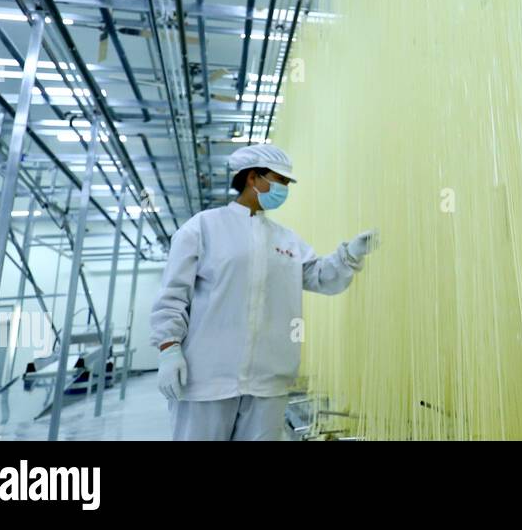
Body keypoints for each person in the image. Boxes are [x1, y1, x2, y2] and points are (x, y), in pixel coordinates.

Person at [149, 143, 377, 440]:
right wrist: (169, 350)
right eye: (280, 180)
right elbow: (173, 296)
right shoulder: (203, 228)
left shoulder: (286, 240)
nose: (284, 188)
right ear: (253, 178)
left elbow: (321, 277)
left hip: (269, 381)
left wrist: (350, 254)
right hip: (208, 377)